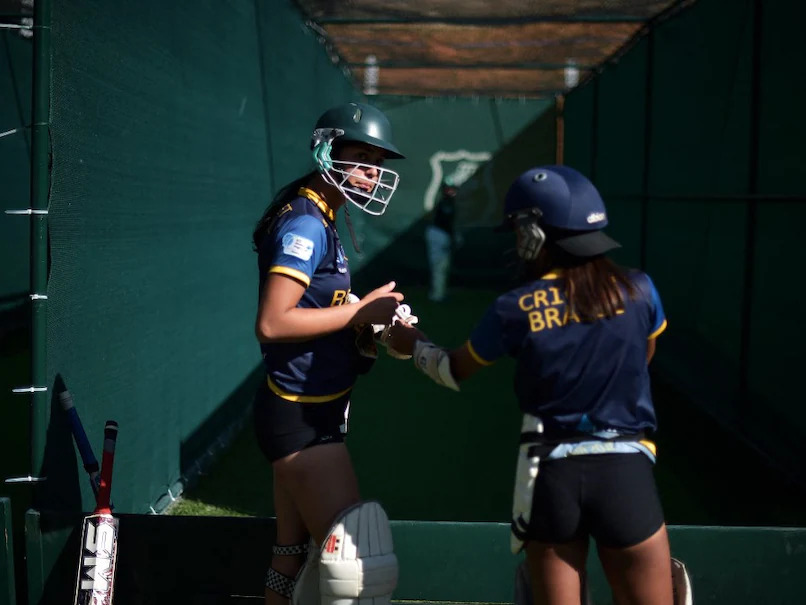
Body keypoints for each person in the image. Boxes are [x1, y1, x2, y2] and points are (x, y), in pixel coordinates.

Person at [388, 165, 675, 605]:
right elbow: (644, 359)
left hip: (551, 477)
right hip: (625, 472)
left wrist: (414, 344)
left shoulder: (515, 307)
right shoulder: (640, 289)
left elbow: (453, 370)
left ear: (532, 234)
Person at [251, 102, 408, 605]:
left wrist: (368, 319)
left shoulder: (321, 213)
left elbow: (322, 309)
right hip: (300, 414)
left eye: (378, 163)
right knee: (360, 573)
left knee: (289, 557)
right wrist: (360, 313)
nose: (372, 173)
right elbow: (274, 322)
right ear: (325, 151)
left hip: (312, 407)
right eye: (361, 158)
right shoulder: (307, 224)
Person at [424, 177, 459, 301]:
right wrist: (453, 238)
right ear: (445, 189)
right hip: (438, 234)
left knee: (442, 267)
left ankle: (439, 293)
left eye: (453, 189)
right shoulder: (445, 203)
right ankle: (437, 295)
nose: (453, 191)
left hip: (440, 234)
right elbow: (446, 223)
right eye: (450, 189)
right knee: (439, 266)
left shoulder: (449, 202)